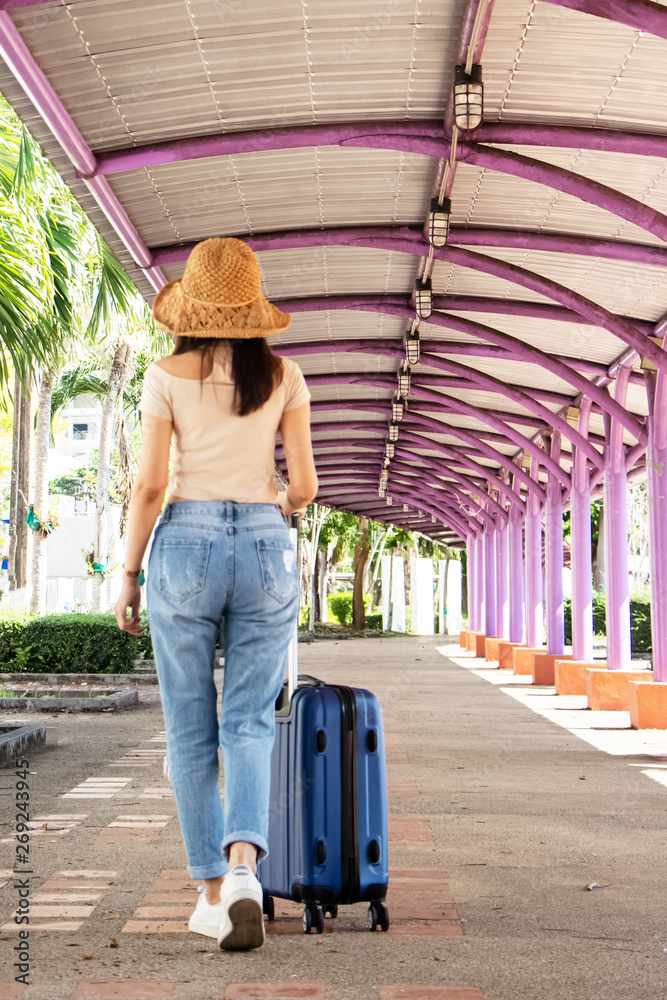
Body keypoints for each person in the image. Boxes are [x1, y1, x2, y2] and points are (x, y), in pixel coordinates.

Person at [114, 237, 318, 951]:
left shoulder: (164, 374)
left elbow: (147, 486)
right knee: (250, 723)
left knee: (189, 728)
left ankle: (207, 892)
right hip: (265, 542)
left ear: (189, 313)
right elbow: (304, 488)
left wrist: (129, 573)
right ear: (253, 312)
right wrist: (274, 513)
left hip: (185, 545)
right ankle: (243, 871)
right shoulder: (284, 374)